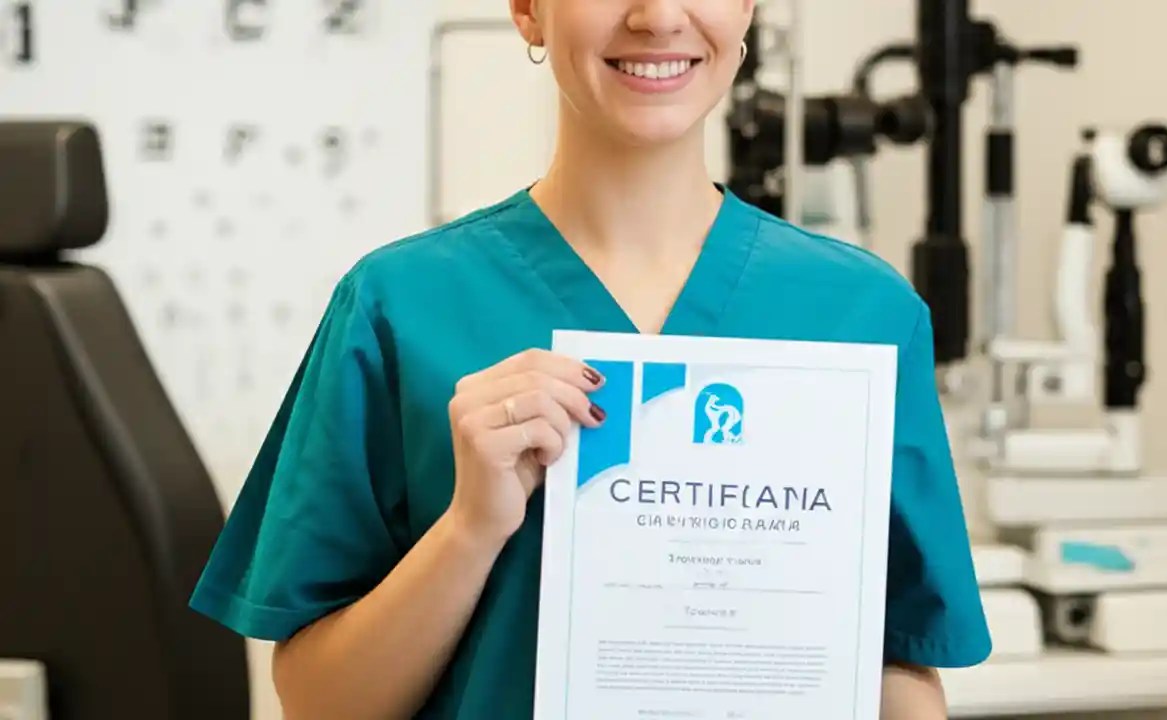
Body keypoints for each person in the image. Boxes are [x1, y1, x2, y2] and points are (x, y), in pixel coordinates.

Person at [188, 0, 992, 717]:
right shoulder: (400, 305)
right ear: (528, 11)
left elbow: (896, 669)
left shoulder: (863, 316)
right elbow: (321, 705)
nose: (659, 16)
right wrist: (472, 528)